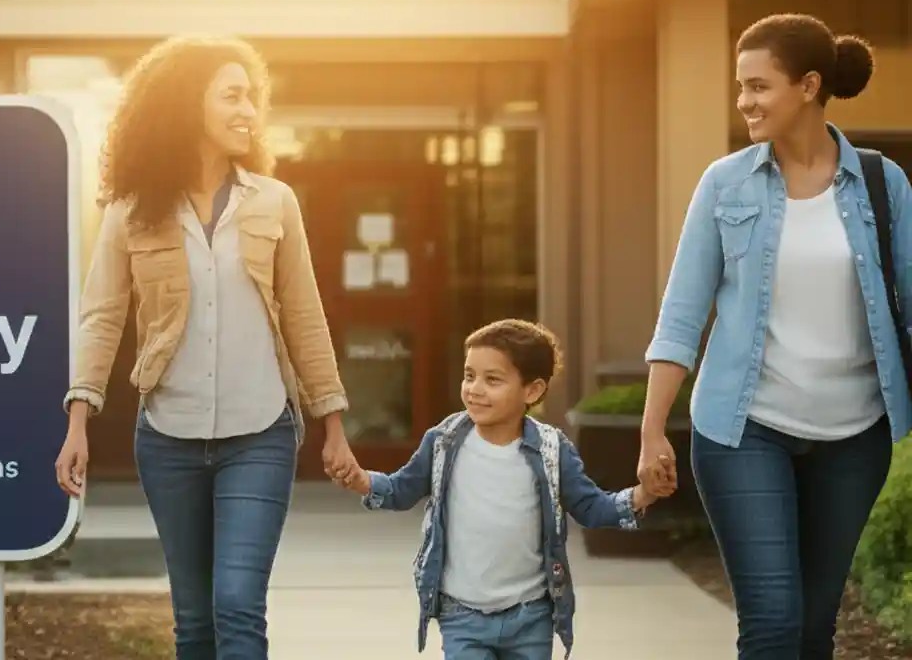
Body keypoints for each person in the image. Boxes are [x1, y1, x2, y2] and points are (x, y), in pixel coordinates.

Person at [54, 34, 358, 659]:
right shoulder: (131, 210)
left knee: (238, 607)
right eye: (232, 96)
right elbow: (101, 315)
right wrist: (78, 419)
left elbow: (304, 314)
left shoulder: (274, 201)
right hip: (169, 437)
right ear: (184, 103)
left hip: (260, 432)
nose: (249, 110)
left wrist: (332, 422)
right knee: (194, 621)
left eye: (253, 97)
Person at [640, 13, 912, 659]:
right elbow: (682, 313)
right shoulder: (725, 183)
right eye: (741, 88)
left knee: (815, 628)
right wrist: (653, 429)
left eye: (759, 87)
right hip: (744, 430)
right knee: (772, 623)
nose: (745, 103)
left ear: (810, 85)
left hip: (855, 438)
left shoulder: (883, 184)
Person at [337, 319, 670, 659]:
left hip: (530, 618)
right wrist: (362, 480)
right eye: (469, 375)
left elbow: (592, 508)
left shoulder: (552, 450)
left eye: (492, 379)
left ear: (532, 391)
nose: (474, 389)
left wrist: (644, 494)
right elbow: (401, 489)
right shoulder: (443, 442)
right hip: (462, 615)